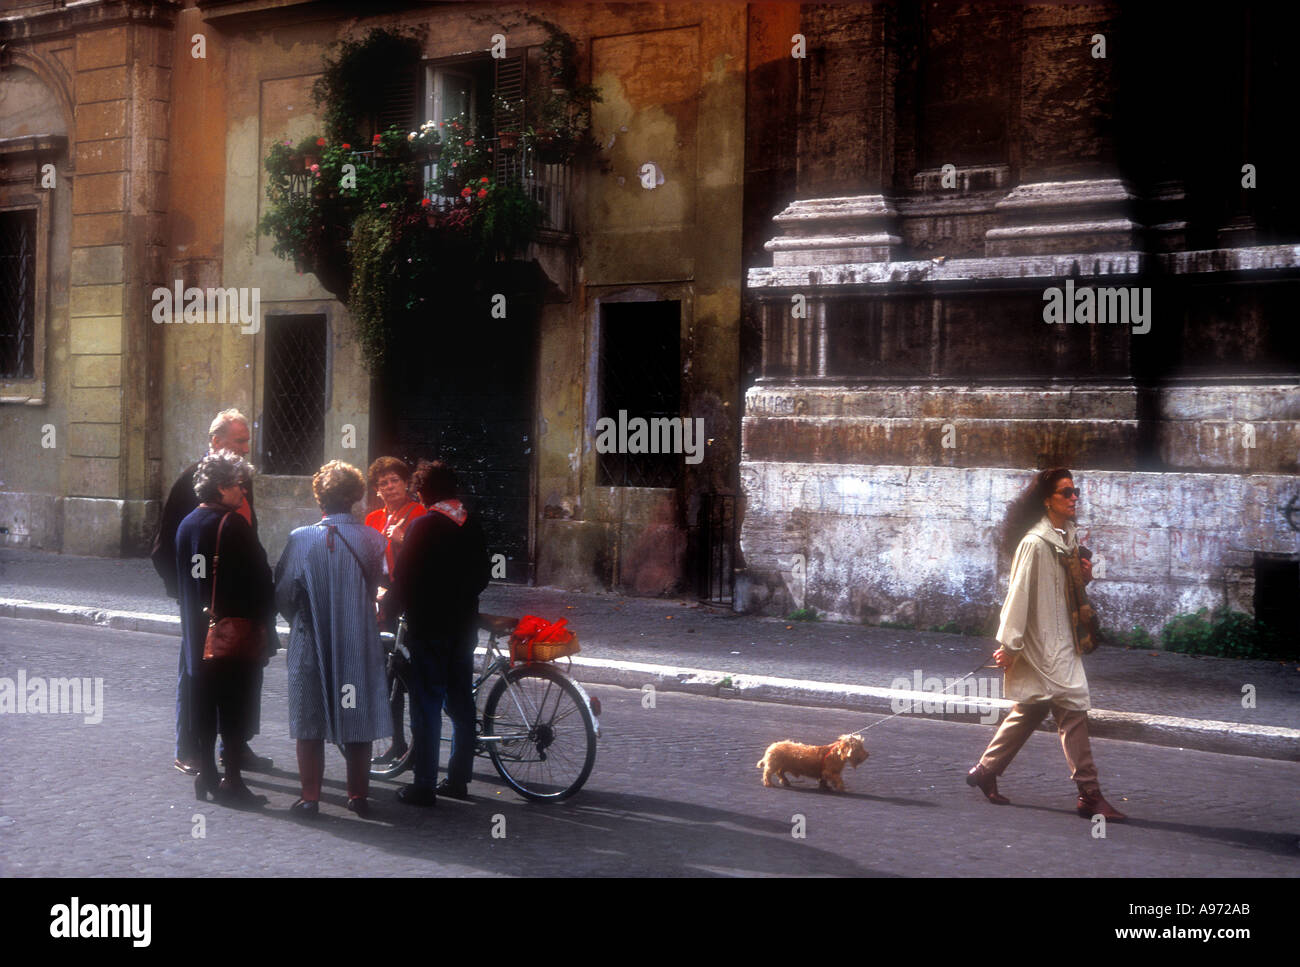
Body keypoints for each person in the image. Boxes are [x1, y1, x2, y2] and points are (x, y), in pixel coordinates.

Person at [966, 468, 1126, 821]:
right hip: (1042, 644)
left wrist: (1082, 577)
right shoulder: (1034, 543)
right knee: (1072, 706)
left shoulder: (1066, 536)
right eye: (1065, 493)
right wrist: (1008, 644)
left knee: (1033, 707)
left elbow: (1065, 592)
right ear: (1046, 499)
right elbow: (1018, 596)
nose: (1073, 499)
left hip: (1064, 639)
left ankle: (985, 770)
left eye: (1075, 492)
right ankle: (1090, 795)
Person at [151, 408, 273, 776]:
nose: (246, 448)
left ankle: (234, 746)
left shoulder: (240, 480)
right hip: (203, 601)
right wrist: (189, 593)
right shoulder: (192, 481)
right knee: (195, 672)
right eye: (239, 441)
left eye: (247, 441)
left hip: (235, 599)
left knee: (241, 670)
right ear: (216, 441)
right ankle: (188, 749)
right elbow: (165, 547)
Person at [274, 461, 391, 819]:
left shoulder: (300, 538)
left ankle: (310, 797)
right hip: (357, 638)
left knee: (308, 718)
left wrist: (300, 622)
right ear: (356, 498)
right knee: (357, 718)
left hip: (311, 637)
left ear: (320, 498)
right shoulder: (373, 538)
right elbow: (376, 586)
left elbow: (283, 592)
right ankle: (358, 795)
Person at [384, 460, 491, 805]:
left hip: (429, 626)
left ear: (423, 492)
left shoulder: (424, 526)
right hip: (463, 626)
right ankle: (458, 779)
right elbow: (483, 576)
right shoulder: (471, 524)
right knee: (461, 701)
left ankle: (425, 784)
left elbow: (404, 578)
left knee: (426, 703)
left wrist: (386, 610)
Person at [176, 450, 274, 808]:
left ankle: (206, 775)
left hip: (197, 631)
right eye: (237, 486)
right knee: (234, 707)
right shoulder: (232, 525)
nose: (242, 494)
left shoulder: (187, 523)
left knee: (203, 705)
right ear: (221, 488)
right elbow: (261, 579)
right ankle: (233, 781)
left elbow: (189, 577)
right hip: (231, 634)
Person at [364, 457, 426, 765]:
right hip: (382, 600)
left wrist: (402, 542)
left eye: (395, 481)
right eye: (383, 483)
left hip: (409, 599)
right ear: (377, 490)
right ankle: (398, 743)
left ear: (407, 484)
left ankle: (418, 745)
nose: (390, 487)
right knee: (388, 676)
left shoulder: (418, 515)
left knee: (410, 674)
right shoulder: (373, 518)